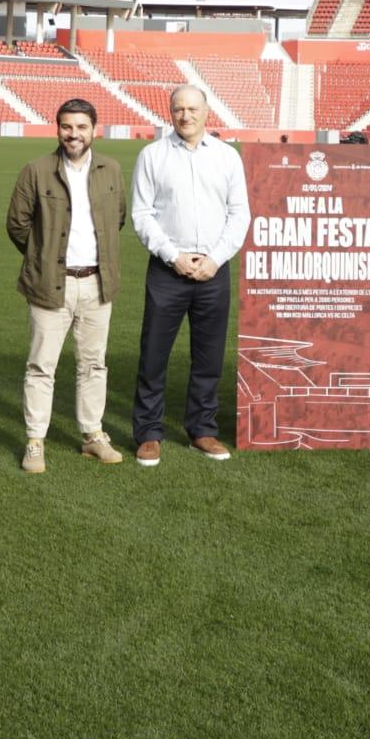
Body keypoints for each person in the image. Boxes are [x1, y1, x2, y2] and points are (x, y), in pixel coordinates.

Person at [129, 85, 250, 466]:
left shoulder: (228, 158)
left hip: (214, 270)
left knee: (208, 355)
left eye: (193, 109)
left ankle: (203, 429)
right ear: (170, 112)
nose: (186, 115)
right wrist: (173, 256)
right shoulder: (152, 155)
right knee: (153, 354)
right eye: (179, 109)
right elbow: (142, 214)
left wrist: (214, 259)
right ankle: (148, 433)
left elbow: (239, 214)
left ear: (206, 111)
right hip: (168, 269)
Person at [5, 98, 127, 474]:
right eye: (66, 127)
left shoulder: (111, 170)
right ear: (57, 128)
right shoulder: (36, 170)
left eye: (81, 127)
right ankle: (35, 441)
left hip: (97, 284)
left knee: (94, 365)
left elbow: (118, 218)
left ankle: (93, 436)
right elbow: (16, 224)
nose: (73, 134)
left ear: (94, 129)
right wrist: (43, 257)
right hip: (50, 285)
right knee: (41, 366)